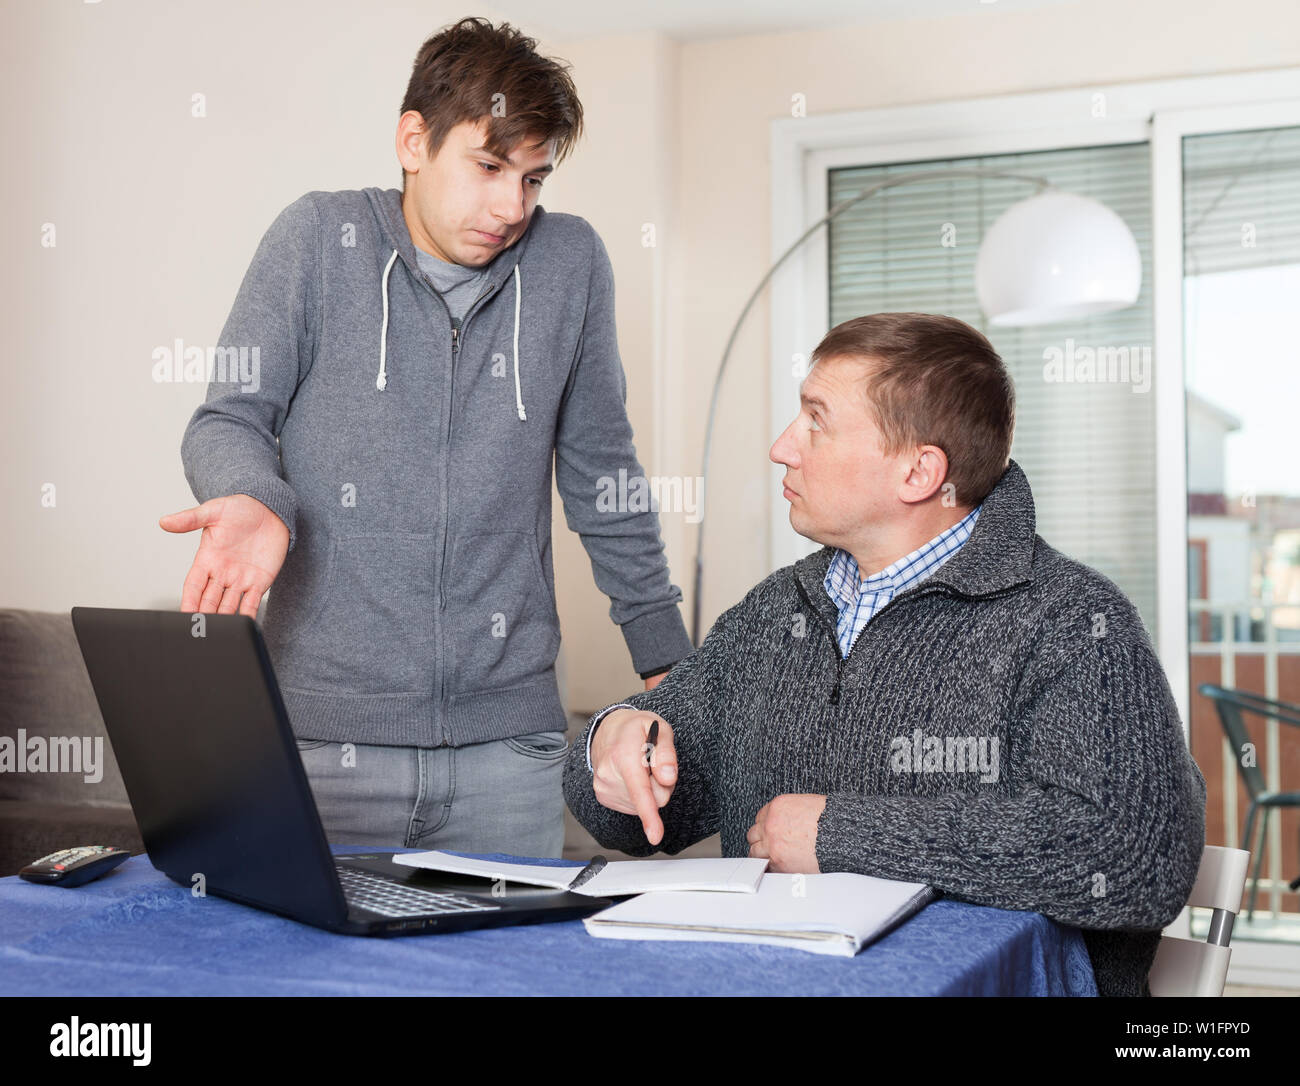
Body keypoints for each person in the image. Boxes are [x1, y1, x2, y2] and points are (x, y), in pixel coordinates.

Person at [160, 18, 692, 859]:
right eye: (488, 167)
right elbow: (229, 416)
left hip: (508, 753)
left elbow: (603, 476)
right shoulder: (315, 242)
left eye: (533, 179)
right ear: (414, 140)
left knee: (496, 988)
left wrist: (668, 662)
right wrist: (257, 496)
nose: (511, 207)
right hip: (322, 747)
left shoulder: (571, 264)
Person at [563, 311, 1207, 997]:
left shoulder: (1077, 620)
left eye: (816, 421)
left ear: (919, 471)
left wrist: (843, 836)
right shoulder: (773, 613)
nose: (783, 446)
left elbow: (1132, 859)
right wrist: (610, 745)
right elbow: (635, 816)